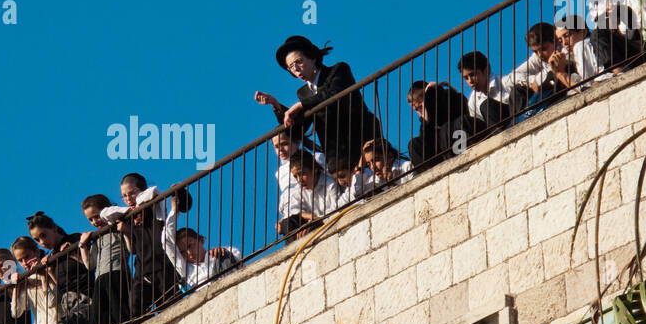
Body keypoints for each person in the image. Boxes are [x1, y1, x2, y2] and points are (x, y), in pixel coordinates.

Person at [256, 35, 383, 173]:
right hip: (336, 154)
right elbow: (298, 127)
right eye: (291, 67)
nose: (296, 69)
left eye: (299, 61)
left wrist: (300, 105)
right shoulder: (303, 93)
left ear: (312, 58)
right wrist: (275, 104)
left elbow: (334, 94)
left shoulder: (338, 70)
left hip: (362, 139)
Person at [103, 173, 185, 320]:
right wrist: (128, 212)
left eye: (132, 193)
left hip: (163, 267)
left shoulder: (156, 206)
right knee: (135, 311)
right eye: (124, 196)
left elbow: (154, 191)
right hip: (142, 270)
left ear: (141, 190)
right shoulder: (128, 216)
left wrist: (140, 205)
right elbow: (105, 214)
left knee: (170, 309)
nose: (129, 199)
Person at [26, 211, 95, 324]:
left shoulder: (75, 239)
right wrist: (48, 272)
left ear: (54, 228)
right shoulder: (52, 256)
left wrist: (73, 253)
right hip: (69, 305)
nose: (42, 242)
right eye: (37, 240)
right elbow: (60, 286)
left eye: (43, 235)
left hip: (87, 297)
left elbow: (91, 266)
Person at [80, 194, 132, 324]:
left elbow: (131, 249)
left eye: (96, 216)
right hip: (100, 277)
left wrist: (126, 232)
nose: (95, 222)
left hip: (117, 271)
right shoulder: (97, 236)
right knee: (98, 314)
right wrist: (83, 246)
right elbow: (90, 264)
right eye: (90, 219)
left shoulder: (116, 226)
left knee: (119, 307)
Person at [8, 235, 64, 324]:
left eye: (26, 257)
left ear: (37, 252)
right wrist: (17, 287)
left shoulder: (51, 268)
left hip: (58, 321)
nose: (24, 262)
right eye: (20, 260)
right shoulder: (25, 280)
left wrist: (44, 277)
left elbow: (52, 302)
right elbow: (16, 312)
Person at [161, 193, 243, 287]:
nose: (189, 253)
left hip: (228, 284)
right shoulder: (185, 268)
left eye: (190, 246)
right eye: (183, 252)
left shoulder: (219, 253)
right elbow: (166, 240)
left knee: (225, 255)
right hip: (210, 296)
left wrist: (223, 252)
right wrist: (175, 210)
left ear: (201, 240)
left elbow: (238, 258)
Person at [407, 80, 472, 168]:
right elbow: (427, 142)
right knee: (414, 144)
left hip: (460, 142)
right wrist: (427, 121)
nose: (419, 111)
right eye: (416, 109)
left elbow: (463, 117)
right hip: (442, 153)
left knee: (446, 128)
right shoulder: (425, 121)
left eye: (421, 106)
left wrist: (432, 97)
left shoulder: (452, 98)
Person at [457, 51, 518, 128]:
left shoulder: (506, 82)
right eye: (466, 78)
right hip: (494, 131)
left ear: (486, 70)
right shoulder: (473, 101)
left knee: (487, 106)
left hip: (514, 122)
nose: (470, 81)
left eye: (472, 75)